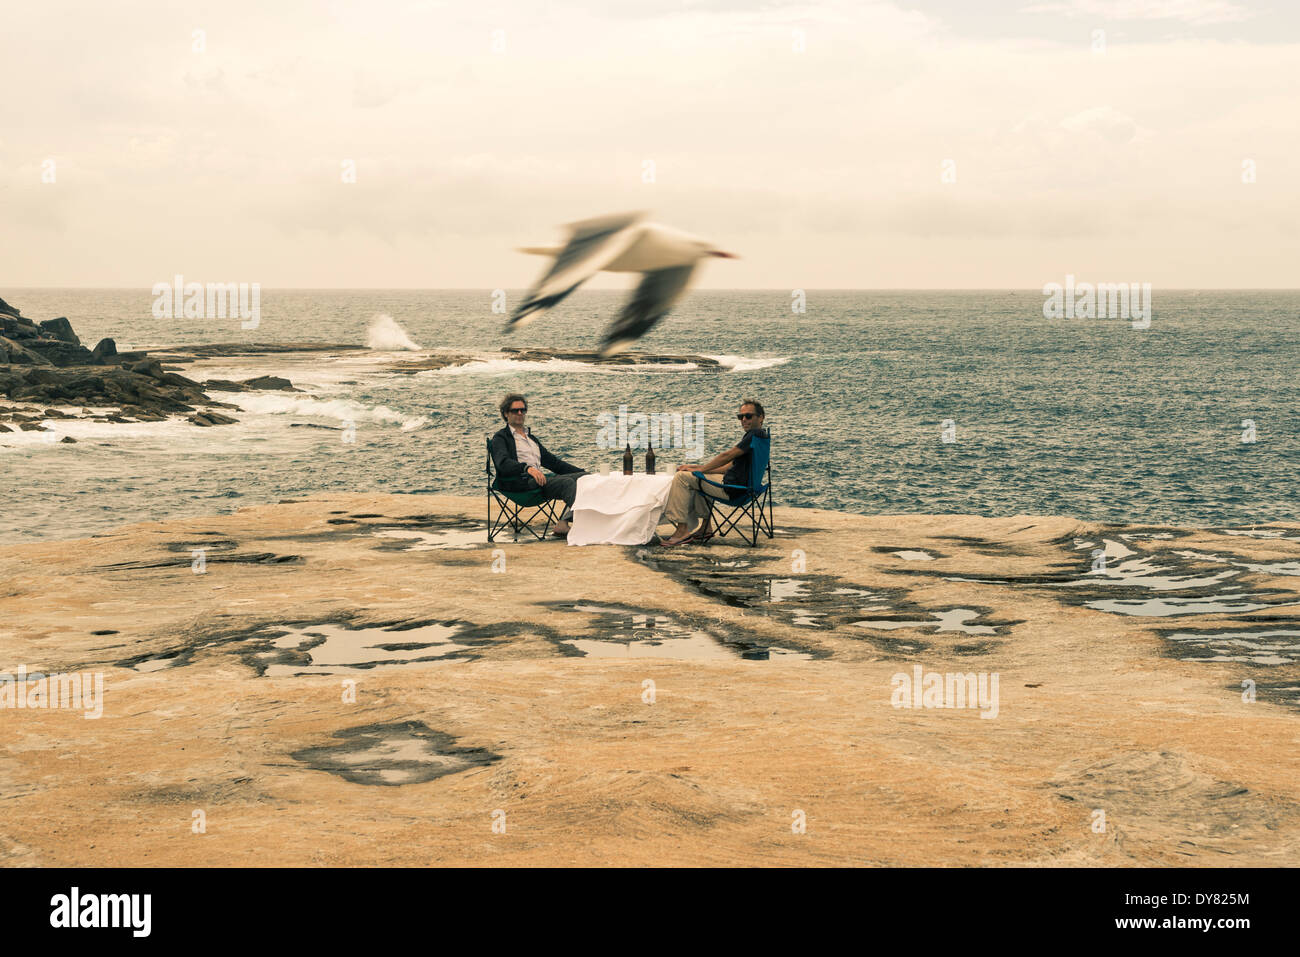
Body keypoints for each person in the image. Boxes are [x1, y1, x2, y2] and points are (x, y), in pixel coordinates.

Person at [659, 399, 767, 546]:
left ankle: (682, 530)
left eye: (748, 416)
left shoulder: (753, 435)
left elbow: (727, 456)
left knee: (681, 478)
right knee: (698, 476)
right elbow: (729, 466)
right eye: (740, 417)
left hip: (734, 490)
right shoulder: (762, 437)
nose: (743, 420)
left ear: (761, 417)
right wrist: (697, 468)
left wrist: (701, 470)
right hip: (748, 488)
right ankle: (706, 526)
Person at [490, 393, 587, 537]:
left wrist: (582, 471)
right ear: (505, 414)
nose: (519, 413)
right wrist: (527, 469)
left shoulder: (531, 438)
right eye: (515, 410)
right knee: (566, 483)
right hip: (521, 484)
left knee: (585, 478)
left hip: (539, 481)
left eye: (523, 410)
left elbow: (554, 463)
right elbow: (502, 463)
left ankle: (565, 521)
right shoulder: (500, 438)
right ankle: (572, 524)